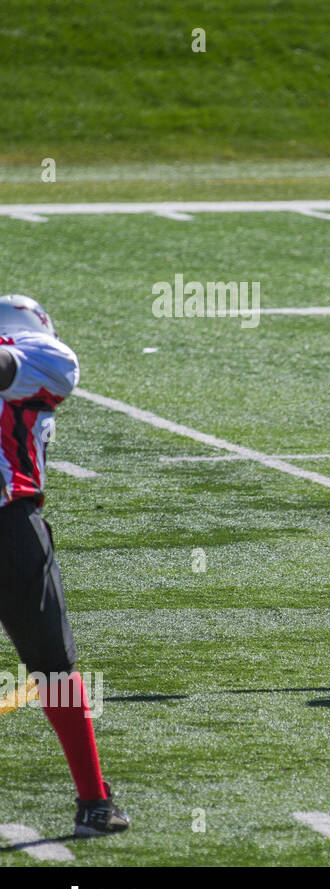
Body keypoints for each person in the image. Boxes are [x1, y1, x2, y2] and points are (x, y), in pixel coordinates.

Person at [0, 294, 129, 836]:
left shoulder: (42, 357)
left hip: (9, 524)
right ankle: (95, 803)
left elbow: (18, 367)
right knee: (54, 669)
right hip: (11, 529)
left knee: (53, 667)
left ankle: (95, 800)